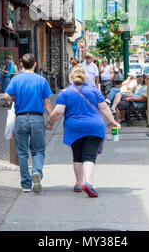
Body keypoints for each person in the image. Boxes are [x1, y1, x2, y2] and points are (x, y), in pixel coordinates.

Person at [46, 65, 120, 198]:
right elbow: (104, 108)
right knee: (89, 156)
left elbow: (58, 112)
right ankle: (89, 183)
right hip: (94, 127)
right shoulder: (93, 90)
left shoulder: (65, 93)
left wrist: (50, 123)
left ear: (71, 77)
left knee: (78, 156)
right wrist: (113, 121)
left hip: (74, 128)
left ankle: (79, 183)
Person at [4, 53, 53, 193]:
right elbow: (47, 103)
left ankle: (26, 184)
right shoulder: (41, 80)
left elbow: (6, 95)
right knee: (38, 150)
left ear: (21, 65)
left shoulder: (16, 79)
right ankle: (36, 172)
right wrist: (52, 119)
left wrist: (13, 100)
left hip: (20, 118)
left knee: (22, 151)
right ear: (35, 64)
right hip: (37, 118)